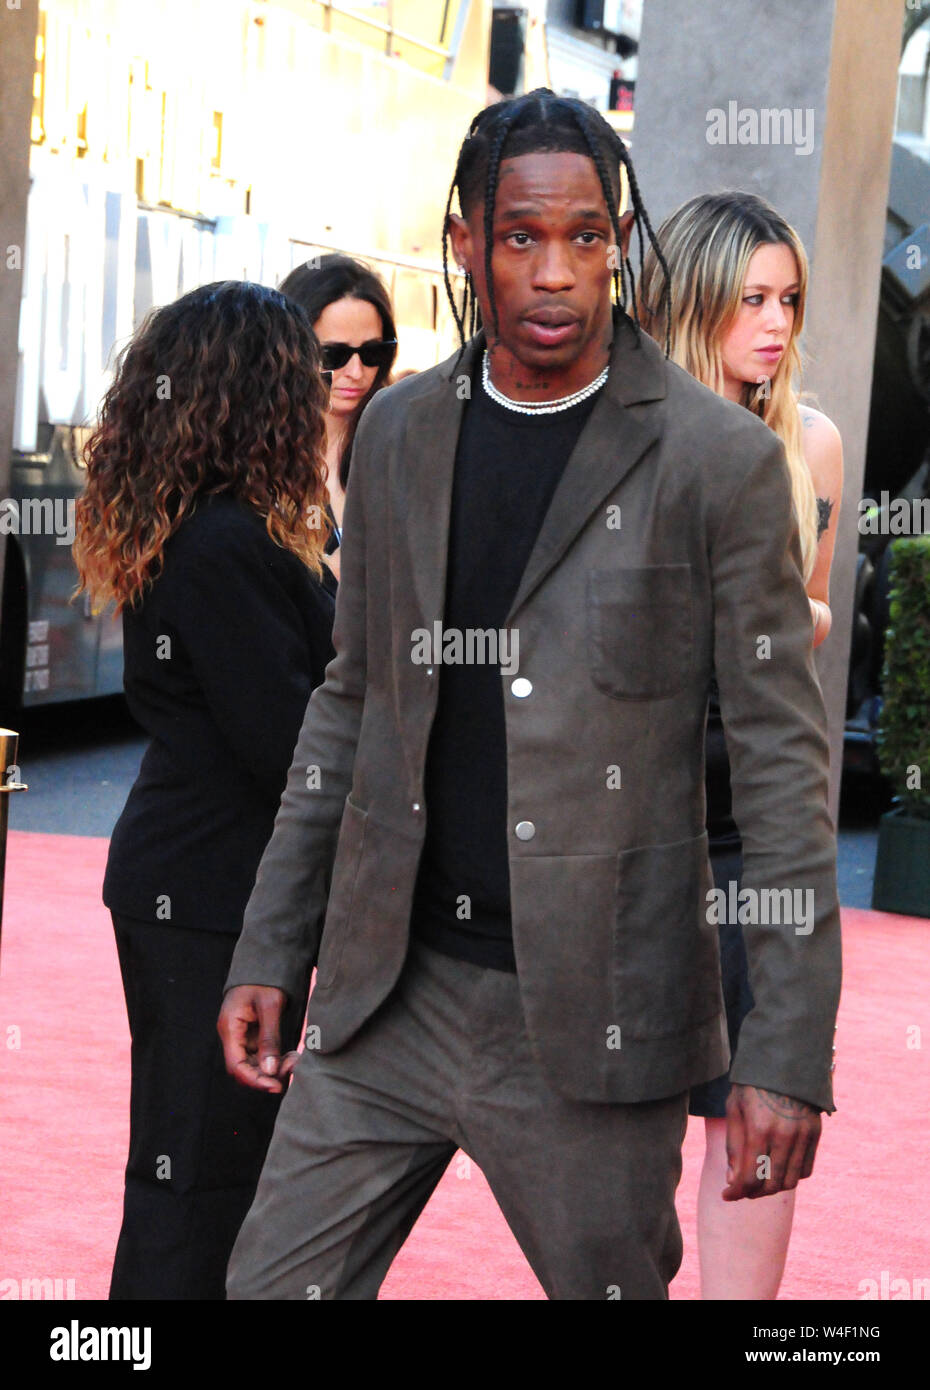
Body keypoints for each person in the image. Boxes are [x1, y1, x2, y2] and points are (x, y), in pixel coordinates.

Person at [217, 90, 842, 1302]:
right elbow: (349, 706)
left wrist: (789, 1047)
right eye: (521, 238)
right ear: (466, 241)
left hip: (596, 1021)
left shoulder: (716, 462)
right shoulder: (395, 434)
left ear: (620, 242)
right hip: (385, 995)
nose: (556, 274)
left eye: (588, 238)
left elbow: (781, 768)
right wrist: (272, 941)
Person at [72, 281, 336, 1299]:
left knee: (199, 1164)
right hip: (207, 894)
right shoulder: (228, 545)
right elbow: (290, 738)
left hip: (194, 883)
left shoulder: (210, 530)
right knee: (197, 1172)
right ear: (264, 392)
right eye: (305, 374)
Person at [640, 192, 843, 1300]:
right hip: (634, 815)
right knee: (617, 1141)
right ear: (699, 304)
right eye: (751, 298)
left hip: (750, 825)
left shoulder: (810, 443)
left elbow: (807, 626)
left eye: (790, 300)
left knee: (752, 1129)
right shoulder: (633, 438)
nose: (775, 323)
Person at [278, 255, 397, 586]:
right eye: (333, 355)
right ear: (290, 350)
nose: (356, 372)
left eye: (373, 353)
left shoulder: (406, 445)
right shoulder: (253, 457)